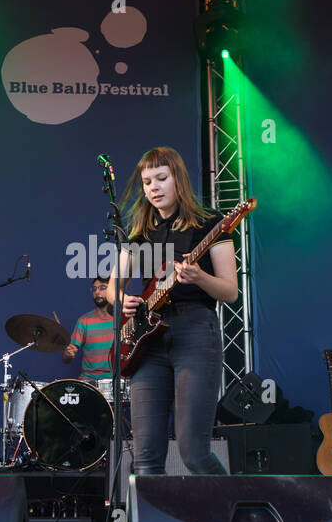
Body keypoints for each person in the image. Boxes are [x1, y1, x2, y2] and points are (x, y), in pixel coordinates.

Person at [107, 147, 236, 475]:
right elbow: (112, 288)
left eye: (161, 178)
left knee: (194, 452)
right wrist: (121, 300)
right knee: (145, 459)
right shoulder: (140, 233)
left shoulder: (211, 224)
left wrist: (200, 276)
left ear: (179, 179)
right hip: (149, 341)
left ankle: (234, 520)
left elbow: (230, 291)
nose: (153, 188)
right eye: (147, 182)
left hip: (195, 332)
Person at [62, 276, 115, 382]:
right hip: (89, 381)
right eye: (94, 289)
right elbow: (66, 359)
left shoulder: (123, 319)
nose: (97, 292)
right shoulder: (84, 320)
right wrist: (68, 354)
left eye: (102, 288)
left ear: (112, 290)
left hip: (117, 380)